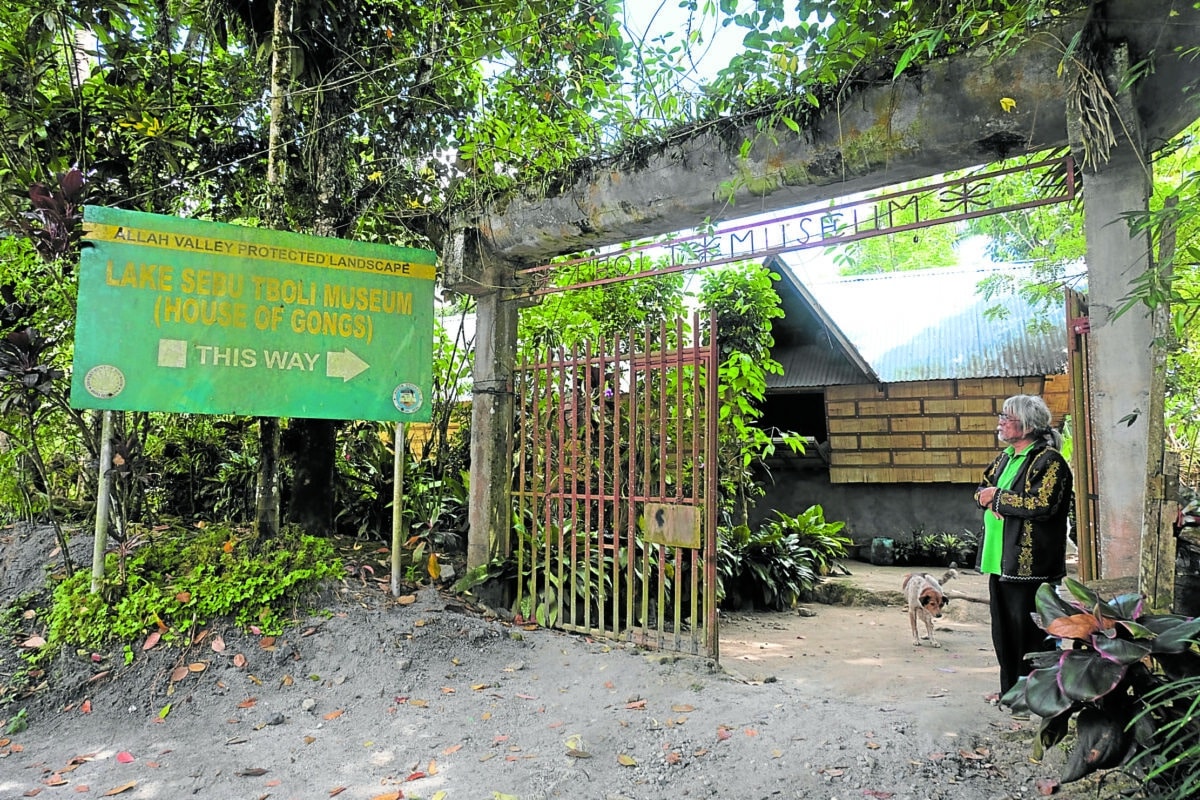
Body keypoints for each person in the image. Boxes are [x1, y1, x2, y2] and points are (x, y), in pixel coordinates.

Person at [974, 394, 1073, 703]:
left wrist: (999, 499)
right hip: (999, 561)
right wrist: (985, 497)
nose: (1001, 422)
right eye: (1002, 416)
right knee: (1004, 633)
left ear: (1029, 425)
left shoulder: (1049, 461)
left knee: (1029, 633)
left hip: (1029, 564)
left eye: (1008, 417)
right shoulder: (1006, 457)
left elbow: (1043, 504)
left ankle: (1037, 695)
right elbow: (982, 488)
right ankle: (1011, 692)